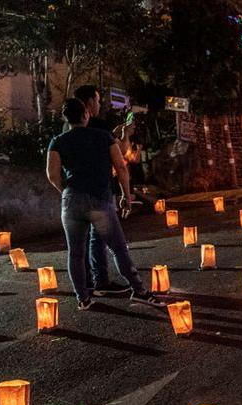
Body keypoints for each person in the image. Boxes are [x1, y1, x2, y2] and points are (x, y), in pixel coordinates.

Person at [46, 99, 164, 310]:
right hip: (100, 199)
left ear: (66, 118)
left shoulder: (58, 141)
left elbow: (52, 174)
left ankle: (83, 298)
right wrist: (126, 196)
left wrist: (65, 191)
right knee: (118, 248)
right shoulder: (103, 137)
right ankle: (139, 290)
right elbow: (120, 166)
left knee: (76, 253)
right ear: (86, 115)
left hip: (72, 201)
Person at [71, 85, 131, 298]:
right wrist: (125, 135)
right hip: (100, 191)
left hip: (75, 195)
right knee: (101, 238)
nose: (99, 104)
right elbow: (121, 156)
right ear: (88, 104)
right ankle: (102, 281)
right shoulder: (98, 126)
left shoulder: (67, 132)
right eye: (97, 100)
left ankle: (85, 286)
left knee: (80, 243)